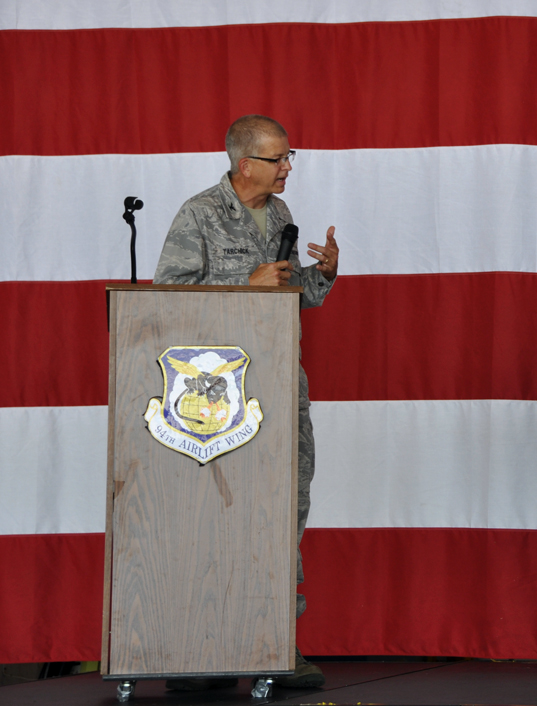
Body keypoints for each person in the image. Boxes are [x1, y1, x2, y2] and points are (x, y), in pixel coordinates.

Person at [154, 114, 339, 690]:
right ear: (244, 164)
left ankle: (274, 641)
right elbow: (167, 300)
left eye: (289, 157)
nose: (288, 168)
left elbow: (287, 295)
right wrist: (242, 287)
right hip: (215, 402)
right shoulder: (199, 214)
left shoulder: (279, 214)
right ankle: (201, 650)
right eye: (278, 158)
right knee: (214, 515)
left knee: (284, 508)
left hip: (279, 385)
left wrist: (321, 275)